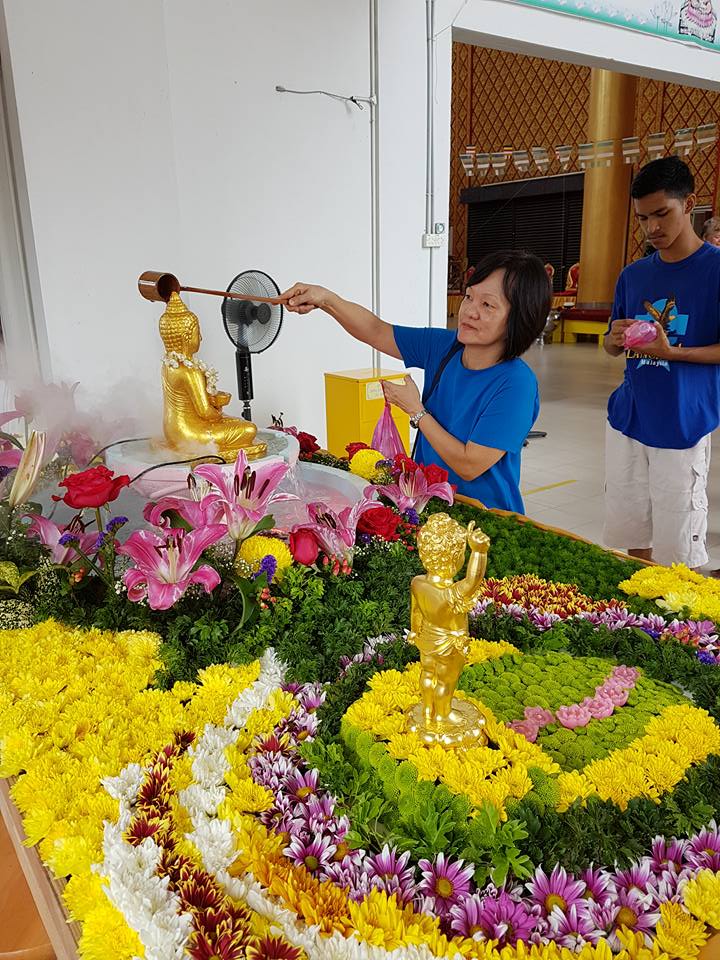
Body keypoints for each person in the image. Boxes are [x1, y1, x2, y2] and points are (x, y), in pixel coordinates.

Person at [281, 250, 551, 513]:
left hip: (484, 517)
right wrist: (325, 299)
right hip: (427, 505)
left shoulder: (516, 385)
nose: (469, 311)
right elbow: (377, 331)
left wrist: (417, 411)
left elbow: (469, 465)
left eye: (487, 305)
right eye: (469, 297)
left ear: (519, 318)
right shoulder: (446, 346)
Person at [603, 156, 720, 572]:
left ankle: (676, 628)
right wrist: (613, 340)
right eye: (642, 218)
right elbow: (611, 347)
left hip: (681, 423)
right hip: (629, 419)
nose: (652, 228)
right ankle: (639, 610)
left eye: (662, 214)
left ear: (689, 204)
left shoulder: (714, 270)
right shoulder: (633, 276)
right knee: (631, 533)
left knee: (677, 548)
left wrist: (674, 354)